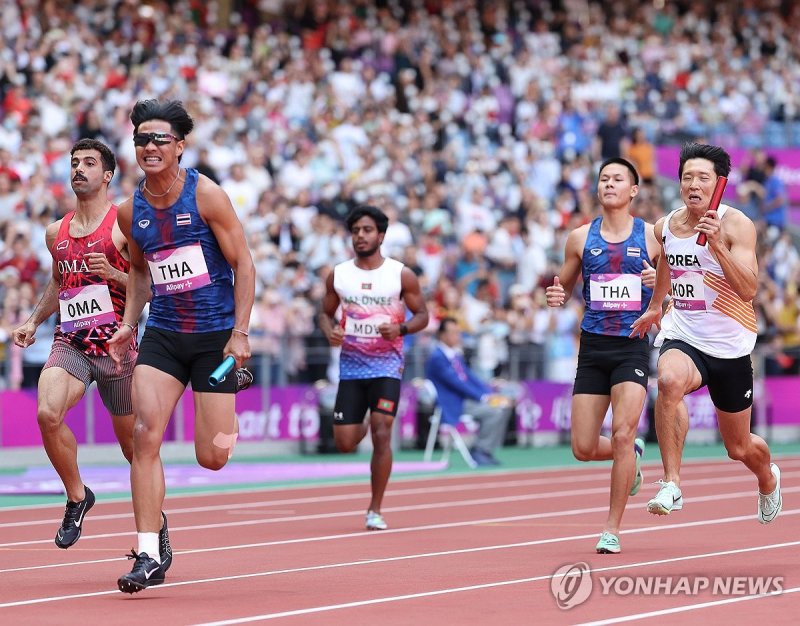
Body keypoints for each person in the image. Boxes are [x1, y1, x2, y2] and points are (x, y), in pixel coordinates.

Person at [107, 100, 256, 593]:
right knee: (144, 435)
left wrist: (241, 332)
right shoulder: (131, 211)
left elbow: (244, 264)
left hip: (215, 340)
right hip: (164, 338)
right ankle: (149, 550)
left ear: (179, 146)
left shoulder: (206, 195)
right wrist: (130, 323)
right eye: (141, 140)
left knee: (212, 457)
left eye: (159, 139)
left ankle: (227, 405)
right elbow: (137, 271)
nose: (149, 147)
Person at [11, 138, 170, 567]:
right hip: (73, 342)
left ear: (107, 175)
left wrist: (115, 273)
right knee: (47, 413)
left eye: (88, 163)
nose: (79, 169)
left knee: (134, 451)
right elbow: (57, 283)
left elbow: (151, 288)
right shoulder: (55, 232)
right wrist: (33, 321)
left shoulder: (123, 225)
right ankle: (78, 496)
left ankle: (156, 525)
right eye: (74, 163)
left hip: (117, 348)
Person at [631, 142, 781, 525]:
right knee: (668, 380)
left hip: (730, 348)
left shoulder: (736, 225)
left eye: (702, 177)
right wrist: (654, 305)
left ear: (719, 185)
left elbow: (748, 289)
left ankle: (767, 477)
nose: (693, 184)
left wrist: (716, 245)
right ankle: (671, 483)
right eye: (687, 177)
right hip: (684, 334)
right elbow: (666, 259)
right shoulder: (669, 225)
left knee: (739, 447)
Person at [545, 157, 660, 554]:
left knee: (623, 433)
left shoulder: (652, 237)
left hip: (632, 344)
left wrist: (657, 282)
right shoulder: (579, 237)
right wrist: (555, 295)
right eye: (604, 179)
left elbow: (676, 287)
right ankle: (634, 455)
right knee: (583, 448)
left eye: (618, 179)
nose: (609, 184)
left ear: (633, 191)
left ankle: (611, 529)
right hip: (593, 347)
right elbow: (563, 284)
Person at [319, 204, 428, 531]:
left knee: (383, 433)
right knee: (344, 443)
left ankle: (374, 509)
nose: (361, 236)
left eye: (367, 231)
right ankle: (361, 422)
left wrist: (402, 329)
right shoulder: (339, 274)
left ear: (381, 235)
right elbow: (324, 313)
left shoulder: (400, 274)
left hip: (387, 367)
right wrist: (330, 332)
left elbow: (423, 315)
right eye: (355, 231)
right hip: (351, 368)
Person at [425, 317, 513, 466]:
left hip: (465, 400)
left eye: (458, 332)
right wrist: (483, 397)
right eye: (453, 333)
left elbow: (470, 377)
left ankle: (486, 449)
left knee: (503, 406)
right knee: (495, 411)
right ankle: (481, 450)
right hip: (452, 403)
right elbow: (457, 383)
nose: (457, 336)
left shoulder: (455, 355)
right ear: (442, 335)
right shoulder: (437, 357)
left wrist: (489, 393)